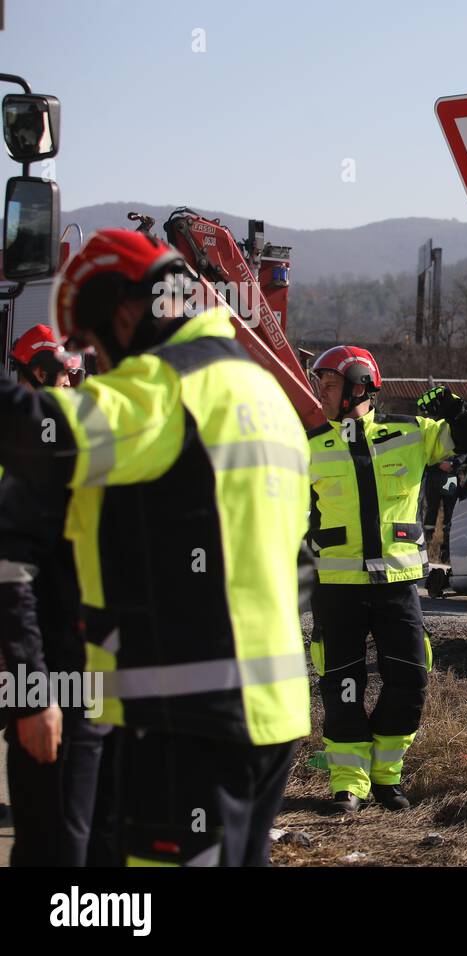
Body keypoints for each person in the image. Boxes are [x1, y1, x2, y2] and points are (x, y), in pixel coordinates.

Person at [0, 229, 313, 866]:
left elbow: (43, 433)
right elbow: (299, 569)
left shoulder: (164, 390)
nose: (95, 366)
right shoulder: (268, 400)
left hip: (185, 722)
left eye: (89, 345)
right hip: (272, 718)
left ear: (122, 313)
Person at [307, 348, 467, 813]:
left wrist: (455, 406)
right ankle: (348, 782)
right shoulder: (308, 445)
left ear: (359, 386)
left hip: (397, 584)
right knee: (341, 682)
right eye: (319, 384)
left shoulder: (411, 433)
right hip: (336, 588)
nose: (320, 392)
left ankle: (386, 777)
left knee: (409, 677)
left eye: (328, 384)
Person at [0, 325, 109, 867]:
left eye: (75, 376)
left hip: (85, 666)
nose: (70, 386)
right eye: (61, 376)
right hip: (33, 649)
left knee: (79, 833)